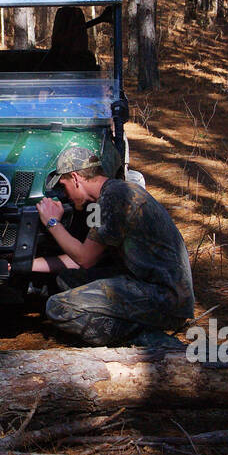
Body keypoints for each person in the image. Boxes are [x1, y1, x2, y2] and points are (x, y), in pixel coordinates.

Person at [32, 144, 194, 346]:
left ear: (75, 178)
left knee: (57, 307)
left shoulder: (115, 197)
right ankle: (141, 329)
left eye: (64, 187)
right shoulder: (110, 196)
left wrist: (52, 222)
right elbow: (82, 258)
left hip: (165, 299)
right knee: (68, 279)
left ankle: (146, 339)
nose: (67, 196)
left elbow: (85, 258)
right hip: (158, 291)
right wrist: (28, 264)